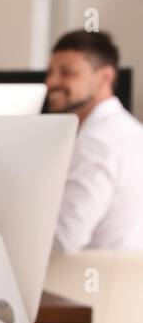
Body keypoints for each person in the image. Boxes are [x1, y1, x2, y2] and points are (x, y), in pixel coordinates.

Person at [44, 30, 143, 253]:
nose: (51, 82)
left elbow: (64, 240)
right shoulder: (133, 132)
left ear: (104, 77)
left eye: (67, 73)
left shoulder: (97, 142)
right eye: (50, 72)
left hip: (85, 283)